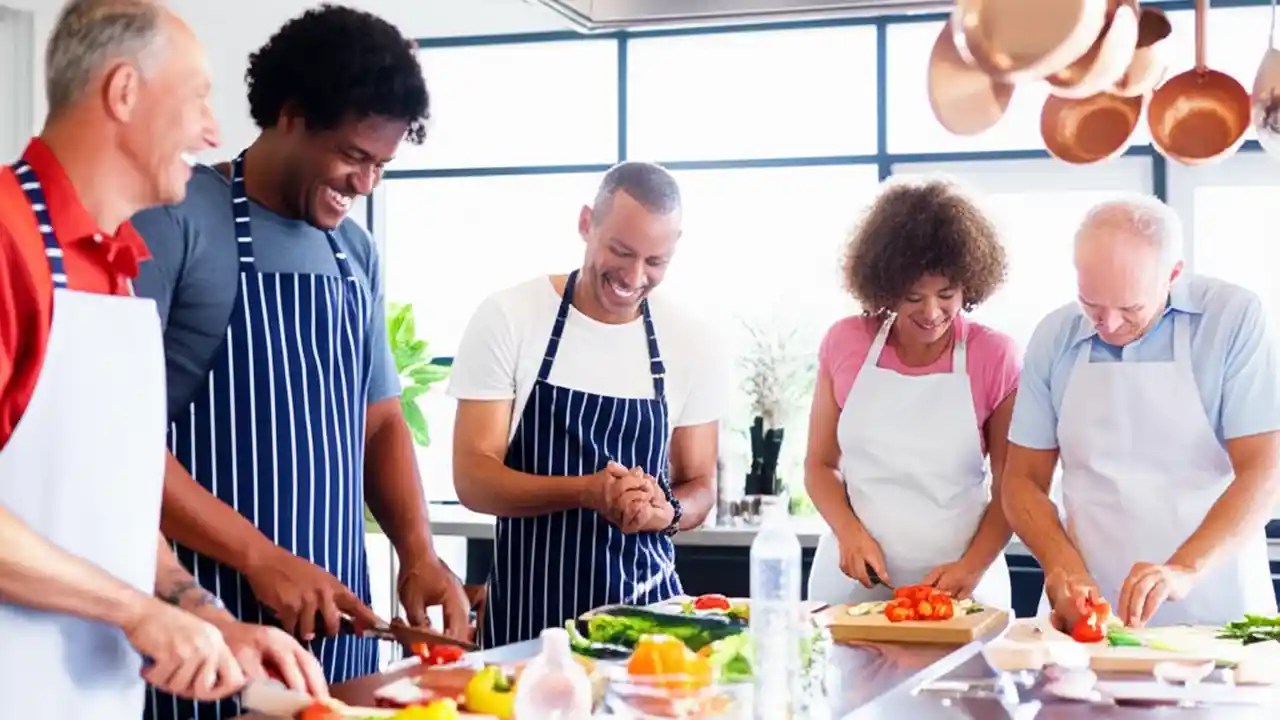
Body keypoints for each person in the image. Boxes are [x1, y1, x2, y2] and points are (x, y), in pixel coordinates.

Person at [130, 6, 469, 714]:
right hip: (207, 631)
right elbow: (118, 441)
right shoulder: (177, 218)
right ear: (290, 115)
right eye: (353, 156)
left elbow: (378, 422)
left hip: (338, 629)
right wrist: (261, 559)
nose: (366, 184)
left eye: (382, 164)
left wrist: (418, 552)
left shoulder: (355, 252)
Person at [0, 1, 326, 718]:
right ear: (124, 92)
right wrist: (135, 611)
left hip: (94, 697)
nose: (213, 131)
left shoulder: (119, 265)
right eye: (200, 97)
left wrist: (204, 611)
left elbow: (104, 502)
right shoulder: (4, 238)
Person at [450, 161, 728, 648]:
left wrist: (667, 512)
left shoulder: (691, 341)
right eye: (620, 251)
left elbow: (701, 484)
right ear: (586, 223)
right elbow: (474, 478)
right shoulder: (511, 317)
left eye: (655, 262)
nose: (634, 276)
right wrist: (586, 491)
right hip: (528, 629)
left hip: (650, 632)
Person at [1003, 195, 1280, 630]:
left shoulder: (1232, 319)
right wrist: (1060, 565)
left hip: (1219, 608)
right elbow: (1021, 481)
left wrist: (1185, 568)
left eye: (1129, 309)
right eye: (1091, 305)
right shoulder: (1054, 337)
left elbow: (1266, 469)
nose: (1108, 324)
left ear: (1172, 274)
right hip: (1090, 616)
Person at [804, 177, 1020, 609]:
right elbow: (820, 464)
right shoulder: (846, 342)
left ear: (970, 285)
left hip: (960, 586)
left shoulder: (994, 355)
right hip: (854, 582)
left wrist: (973, 567)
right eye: (913, 296)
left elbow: (1013, 488)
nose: (932, 312)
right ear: (884, 288)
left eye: (947, 295)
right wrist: (848, 532)